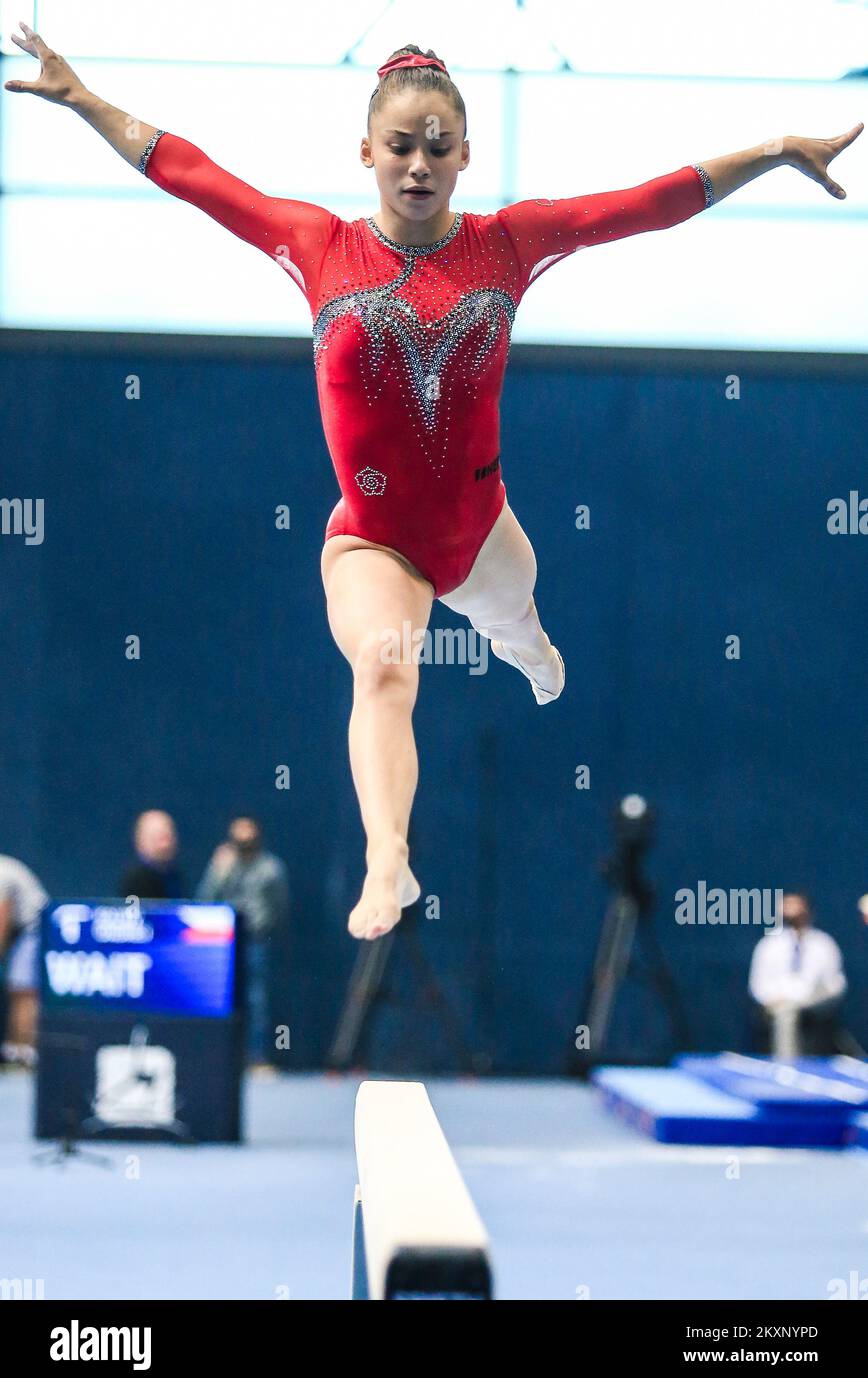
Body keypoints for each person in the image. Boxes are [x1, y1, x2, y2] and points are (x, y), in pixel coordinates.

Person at [8, 23, 862, 940]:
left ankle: (527, 646)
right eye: (402, 147)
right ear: (367, 152)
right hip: (374, 539)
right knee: (384, 669)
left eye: (438, 148)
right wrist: (87, 100)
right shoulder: (317, 245)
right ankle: (389, 859)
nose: (419, 164)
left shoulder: (511, 244)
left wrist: (776, 152)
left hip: (482, 529)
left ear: (464, 156)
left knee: (514, 618)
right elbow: (188, 171)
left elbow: (646, 203)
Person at [196, 816, 290, 1075]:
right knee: (220, 997)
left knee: (256, 1000)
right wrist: (219, 872)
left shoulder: (270, 868)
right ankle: (219, 1056)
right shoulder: (223, 866)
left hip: (256, 941)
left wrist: (265, 927)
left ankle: (257, 1058)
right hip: (223, 943)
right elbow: (204, 900)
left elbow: (280, 906)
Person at [748, 891, 847, 1058]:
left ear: (807, 909)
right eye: (787, 906)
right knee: (787, 1013)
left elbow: (836, 983)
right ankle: (788, 1065)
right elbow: (757, 985)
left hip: (815, 1001)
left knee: (792, 1009)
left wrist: (812, 996)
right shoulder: (769, 945)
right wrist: (775, 999)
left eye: (796, 906)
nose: (792, 911)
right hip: (780, 1002)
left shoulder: (824, 943)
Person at [0, 853, 49, 1068]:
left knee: (23, 989)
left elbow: (2, 920)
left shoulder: (2, 873)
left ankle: (24, 1052)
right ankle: (15, 1048)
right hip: (20, 933)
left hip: (36, 929)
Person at [119, 809, 186, 900]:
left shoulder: (174, 877)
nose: (165, 845)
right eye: (158, 838)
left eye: (168, 837)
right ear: (141, 841)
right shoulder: (136, 881)